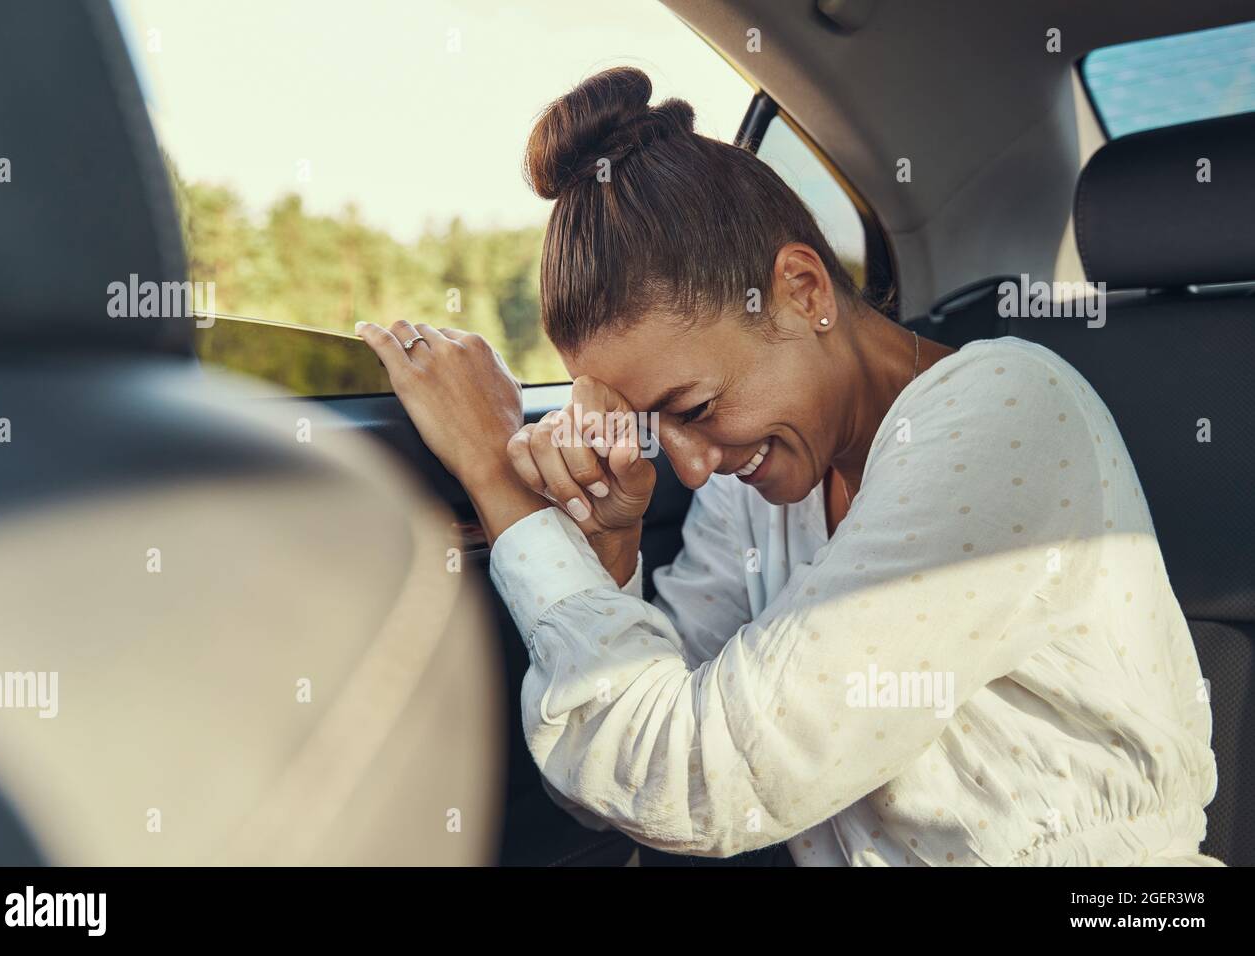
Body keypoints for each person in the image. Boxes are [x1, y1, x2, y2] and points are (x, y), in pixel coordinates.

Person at [356, 67, 1220, 866]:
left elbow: (701, 780)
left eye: (692, 409)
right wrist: (609, 554)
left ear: (803, 290)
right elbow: (614, 776)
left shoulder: (1007, 415)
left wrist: (498, 480)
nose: (691, 467)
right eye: (651, 426)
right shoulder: (766, 485)